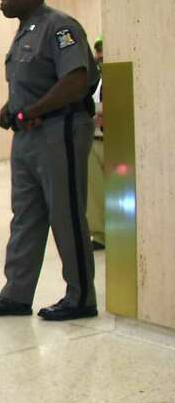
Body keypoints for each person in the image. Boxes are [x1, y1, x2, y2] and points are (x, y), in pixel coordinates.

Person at [0, 0, 99, 322]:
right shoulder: (26, 30)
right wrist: (13, 107)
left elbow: (75, 81)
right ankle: (16, 294)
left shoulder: (60, 27)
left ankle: (80, 297)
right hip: (28, 136)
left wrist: (33, 110)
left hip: (60, 131)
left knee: (66, 214)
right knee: (25, 216)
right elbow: (35, 81)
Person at [88, 38, 105, 250]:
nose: (99, 57)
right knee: (94, 192)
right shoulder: (94, 79)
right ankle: (100, 234)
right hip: (93, 138)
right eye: (97, 53)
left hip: (112, 140)